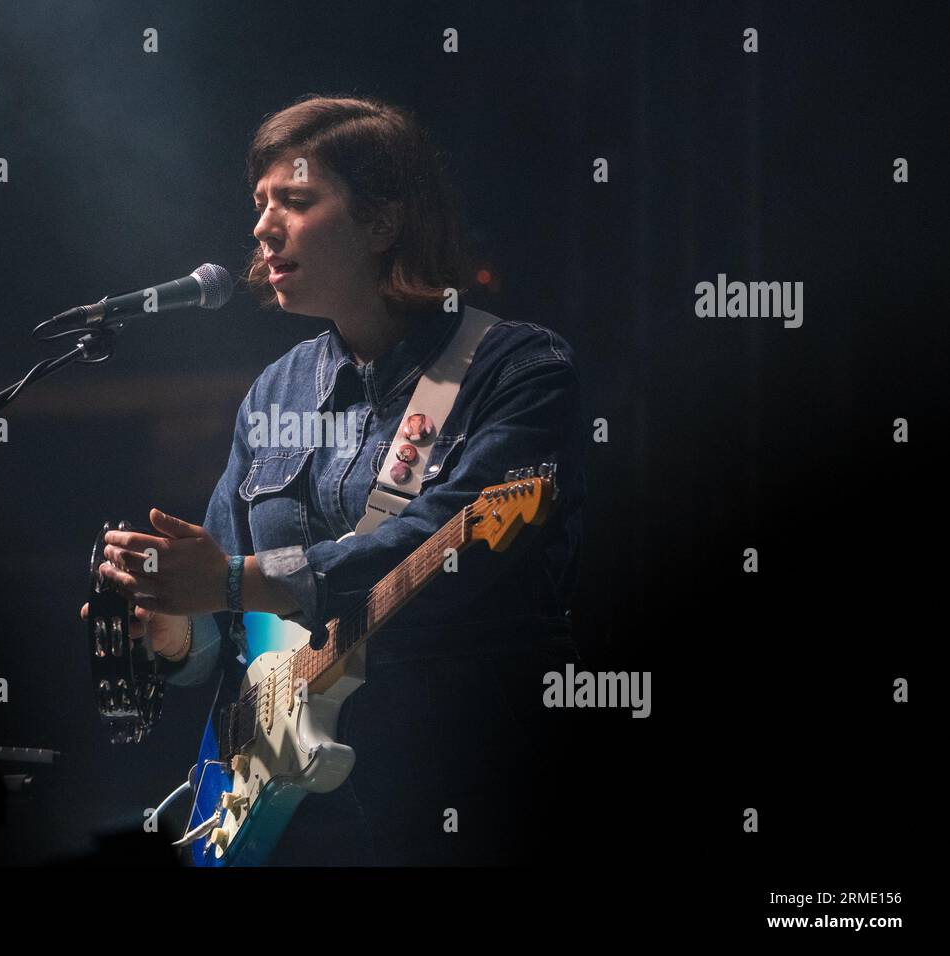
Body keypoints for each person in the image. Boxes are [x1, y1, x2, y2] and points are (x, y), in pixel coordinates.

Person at [80, 94, 586, 865]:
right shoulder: (274, 393)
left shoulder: (519, 368)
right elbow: (230, 627)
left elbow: (457, 553)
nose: (262, 226)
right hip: (287, 825)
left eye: (296, 200)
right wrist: (178, 632)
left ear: (384, 222)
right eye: (260, 203)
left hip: (455, 800)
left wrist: (229, 582)